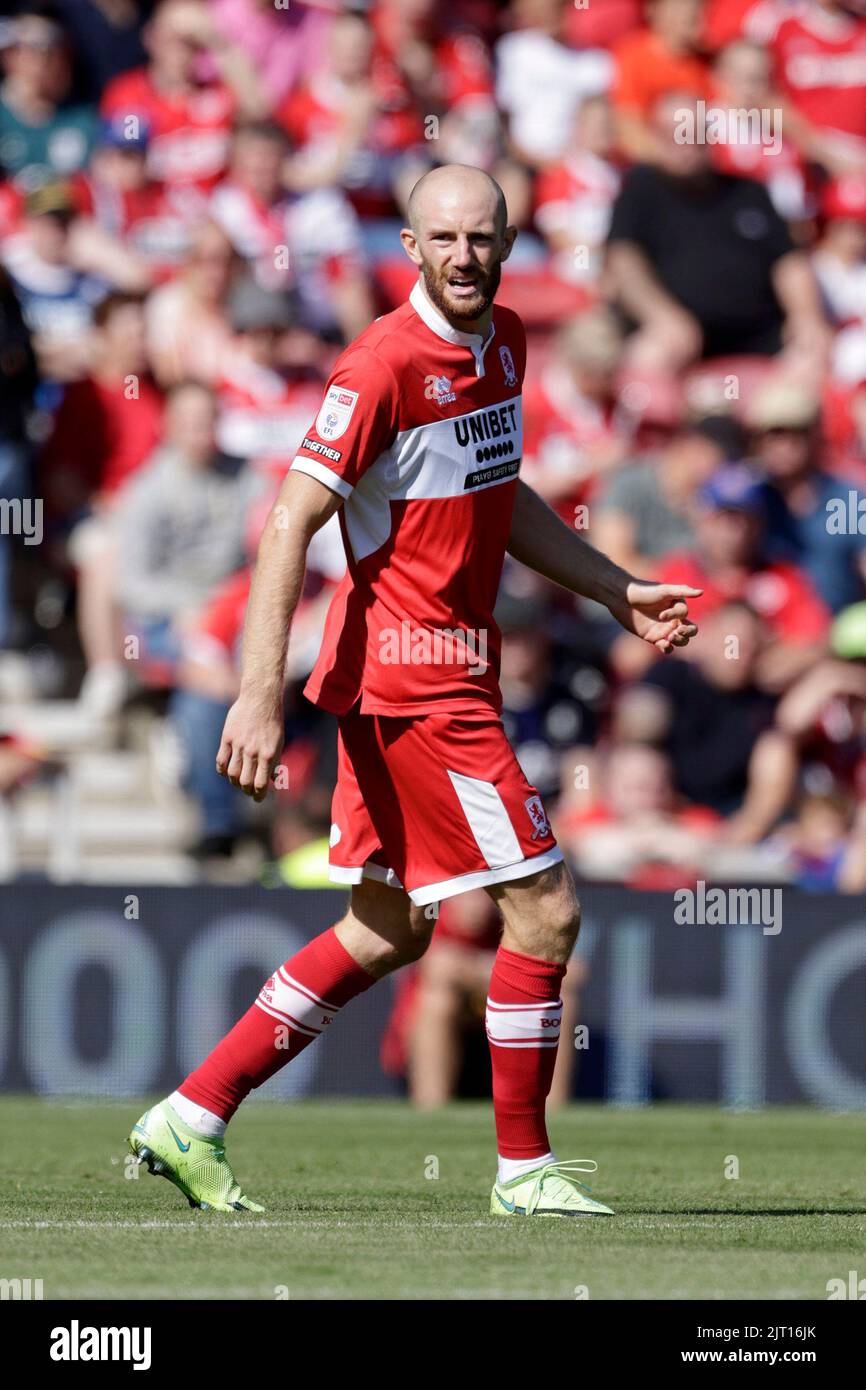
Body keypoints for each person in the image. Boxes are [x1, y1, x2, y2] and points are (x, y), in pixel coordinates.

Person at [126, 163, 701, 1219]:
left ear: (507, 240)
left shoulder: (507, 344)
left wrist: (613, 589)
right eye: (443, 239)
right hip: (415, 679)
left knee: (387, 927)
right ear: (409, 245)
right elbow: (291, 518)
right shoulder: (382, 362)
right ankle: (523, 1172)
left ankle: (190, 1114)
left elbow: (499, 495)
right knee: (545, 911)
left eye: (481, 238)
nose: (464, 256)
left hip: (433, 670)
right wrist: (258, 695)